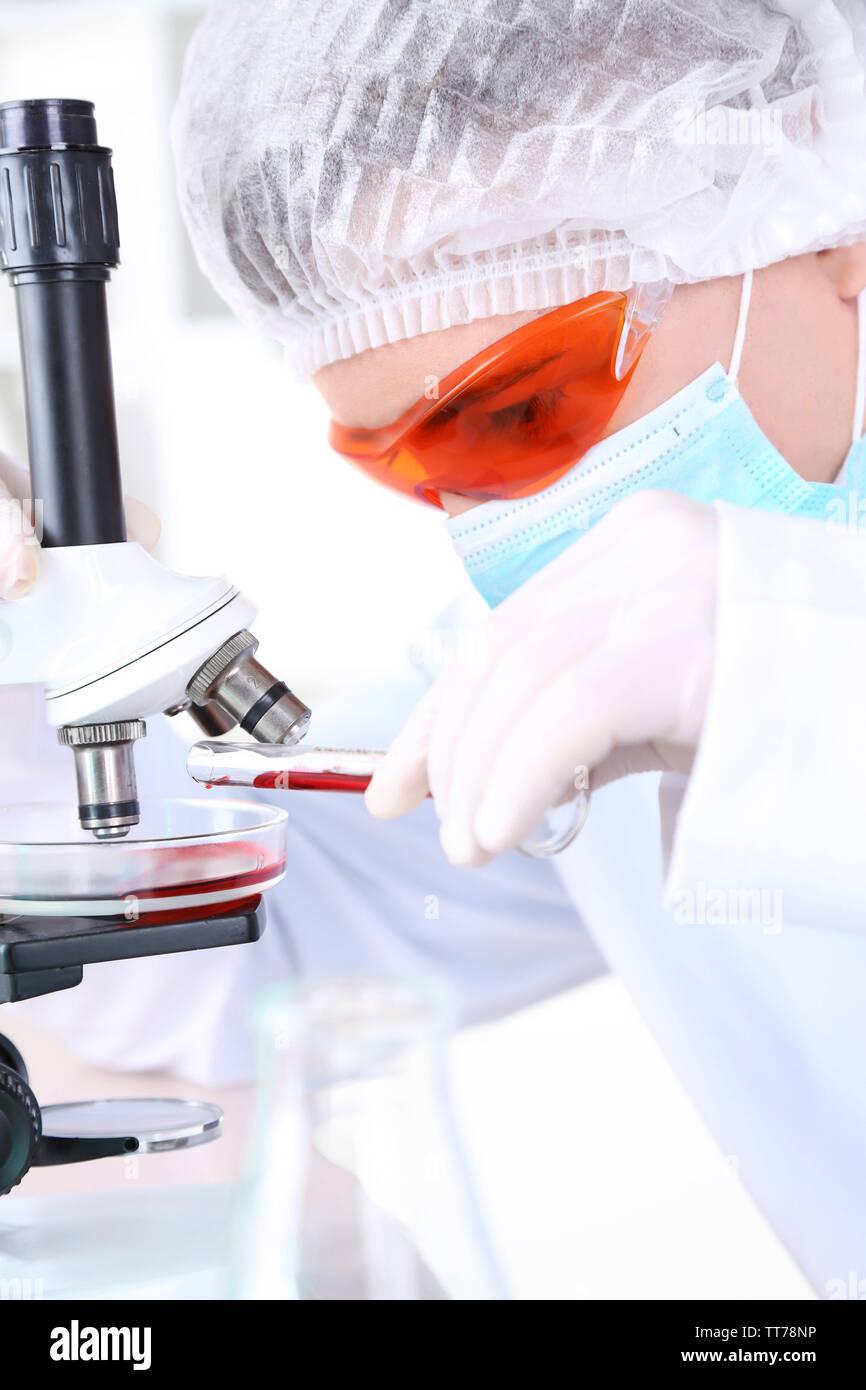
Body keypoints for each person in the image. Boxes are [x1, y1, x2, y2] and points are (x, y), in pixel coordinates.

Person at [4, 0, 866, 1294]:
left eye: (521, 407)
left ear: (830, 230)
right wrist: (25, 675)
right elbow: (246, 959)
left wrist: (795, 670)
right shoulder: (606, 630)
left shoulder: (717, 623)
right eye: (417, 469)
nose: (492, 521)